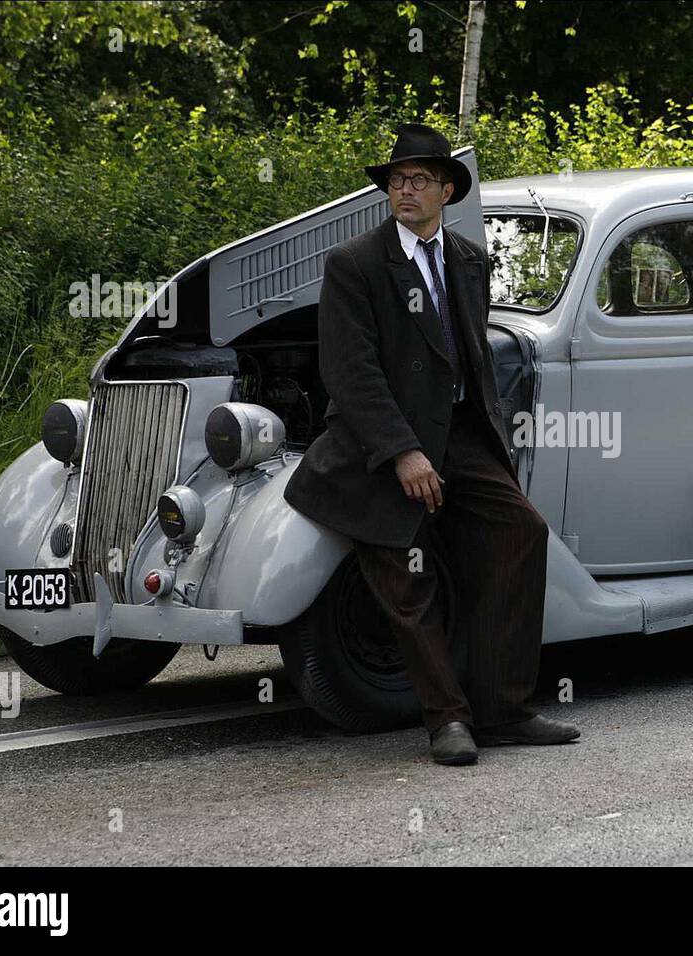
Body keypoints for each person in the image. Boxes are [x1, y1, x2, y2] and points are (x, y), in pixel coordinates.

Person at [284, 122, 579, 764]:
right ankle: (447, 719)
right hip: (378, 448)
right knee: (405, 576)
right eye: (396, 180)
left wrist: (489, 436)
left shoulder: (471, 259)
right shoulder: (355, 264)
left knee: (520, 534)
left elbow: (473, 357)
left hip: (461, 437)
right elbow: (349, 372)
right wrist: (401, 451)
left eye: (418, 180)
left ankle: (502, 709)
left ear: (447, 190)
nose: (404, 190)